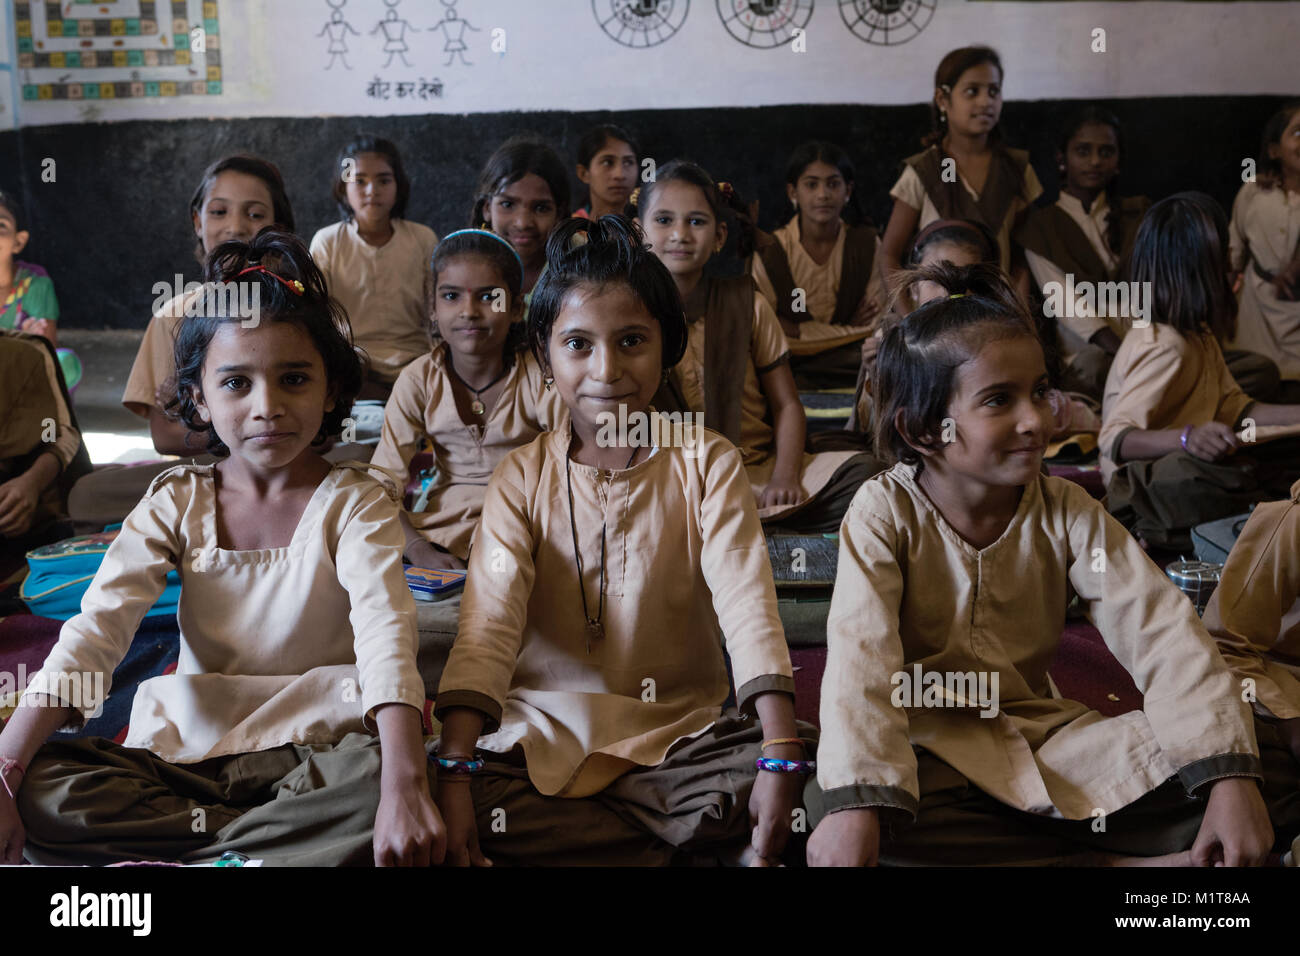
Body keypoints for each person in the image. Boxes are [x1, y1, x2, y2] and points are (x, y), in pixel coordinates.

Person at [806, 260, 1299, 866]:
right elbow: (861, 667)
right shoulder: (882, 514)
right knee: (834, 803)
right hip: (930, 749)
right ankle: (1124, 862)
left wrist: (1228, 778)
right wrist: (858, 806)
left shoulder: (1066, 510)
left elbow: (1163, 634)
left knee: (1262, 755)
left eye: (1040, 391)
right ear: (923, 429)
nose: (1035, 420)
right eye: (998, 400)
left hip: (1049, 739)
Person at [0, 232, 442, 867]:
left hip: (321, 752)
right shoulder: (174, 500)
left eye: (294, 379)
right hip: (188, 754)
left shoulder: (357, 503)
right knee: (49, 787)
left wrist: (405, 784)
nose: (268, 408)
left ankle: (211, 854)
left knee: (382, 781)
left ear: (330, 391)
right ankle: (265, 852)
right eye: (237, 382)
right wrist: (7, 769)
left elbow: (385, 636)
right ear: (199, 399)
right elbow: (95, 633)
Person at [432, 216, 808, 866]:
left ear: (668, 347)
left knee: (816, 777)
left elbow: (748, 607)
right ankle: (665, 834)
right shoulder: (520, 477)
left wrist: (778, 753)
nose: (607, 370)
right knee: (403, 780)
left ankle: (615, 829)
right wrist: (457, 768)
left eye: (631, 340)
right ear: (544, 360)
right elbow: (487, 627)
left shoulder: (706, 462)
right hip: (542, 729)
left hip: (681, 732)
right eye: (577, 344)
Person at [371, 229, 564, 569]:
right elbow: (381, 488)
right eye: (451, 296)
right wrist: (417, 549)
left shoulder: (542, 378)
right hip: (443, 532)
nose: (469, 311)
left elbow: (572, 472)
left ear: (517, 307)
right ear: (433, 308)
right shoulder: (418, 380)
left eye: (489, 297)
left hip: (532, 525)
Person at [309, 134, 439, 399]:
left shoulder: (422, 238)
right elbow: (314, 313)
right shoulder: (328, 242)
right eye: (359, 181)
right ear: (342, 188)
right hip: (353, 362)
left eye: (383, 180)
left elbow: (437, 310)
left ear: (398, 186)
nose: (372, 190)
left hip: (415, 359)